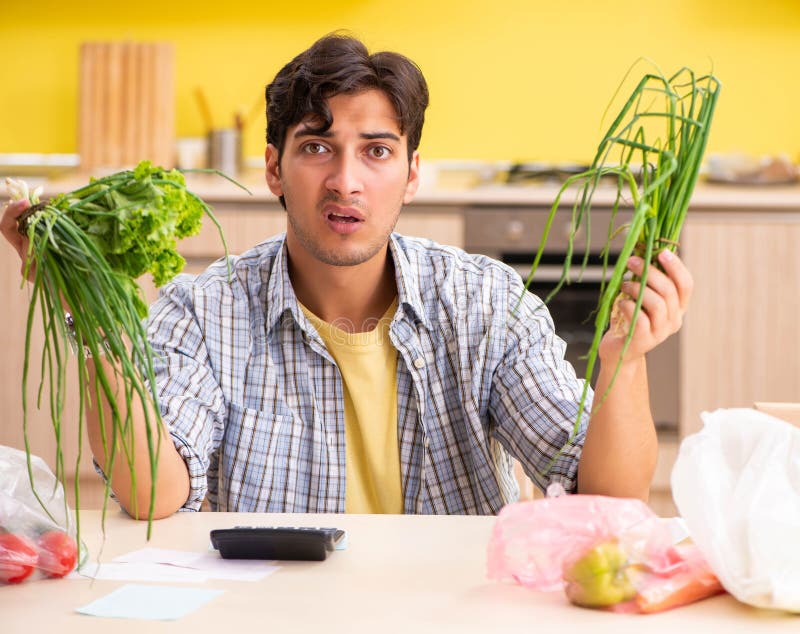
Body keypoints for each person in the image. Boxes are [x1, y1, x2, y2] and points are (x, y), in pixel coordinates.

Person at [0, 33, 692, 519]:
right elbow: (154, 497)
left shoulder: (487, 302)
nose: (346, 180)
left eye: (378, 150)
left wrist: (622, 362)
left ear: (413, 173)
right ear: (274, 168)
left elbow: (607, 499)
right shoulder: (202, 309)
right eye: (317, 147)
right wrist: (91, 314)